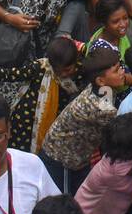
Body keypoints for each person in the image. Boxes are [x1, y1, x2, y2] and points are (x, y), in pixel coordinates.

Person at [40, 39, 127, 193]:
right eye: (116, 70)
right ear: (100, 80)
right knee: (66, 199)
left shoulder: (103, 89)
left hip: (78, 156)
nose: (122, 72)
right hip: (62, 158)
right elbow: (120, 129)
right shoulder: (98, 107)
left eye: (120, 67)